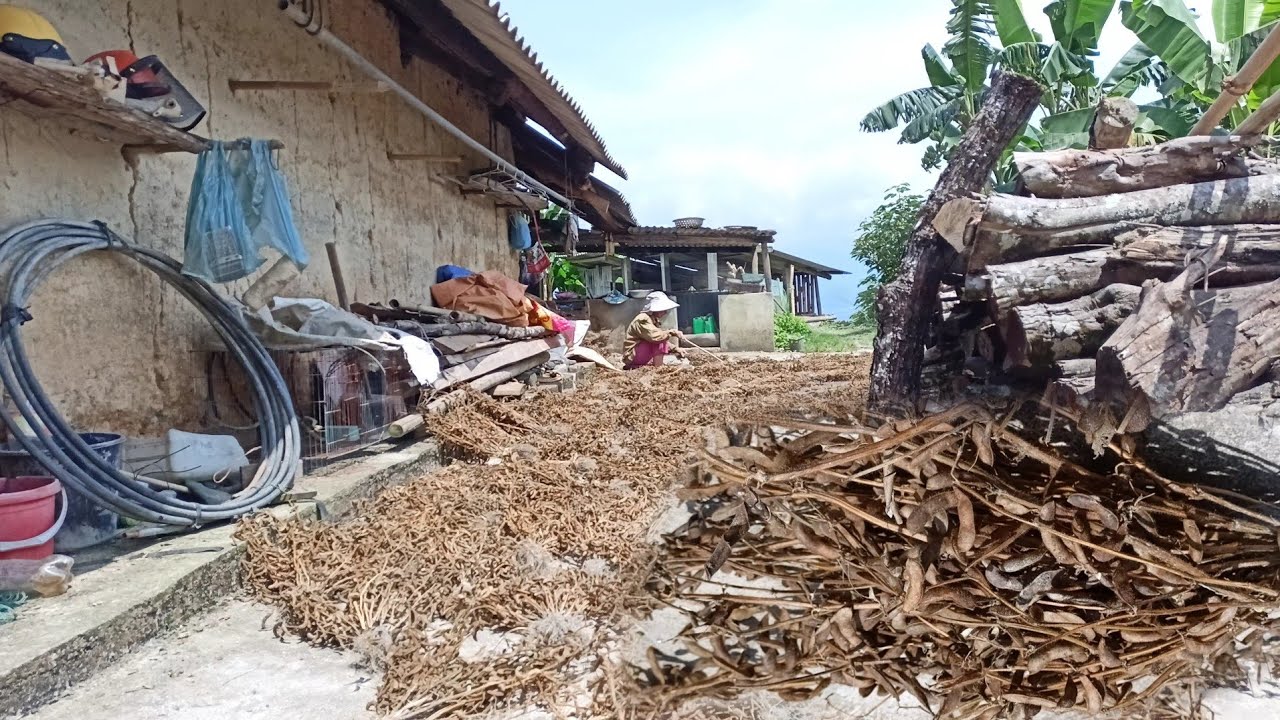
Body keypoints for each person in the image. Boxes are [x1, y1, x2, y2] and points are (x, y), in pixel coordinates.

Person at [623, 292, 687, 369]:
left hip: (639, 353)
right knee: (660, 339)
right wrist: (671, 332)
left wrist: (675, 349)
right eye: (663, 309)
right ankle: (658, 368)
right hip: (632, 356)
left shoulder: (653, 320)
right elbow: (655, 337)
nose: (665, 312)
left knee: (662, 337)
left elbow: (659, 336)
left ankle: (653, 365)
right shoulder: (642, 319)